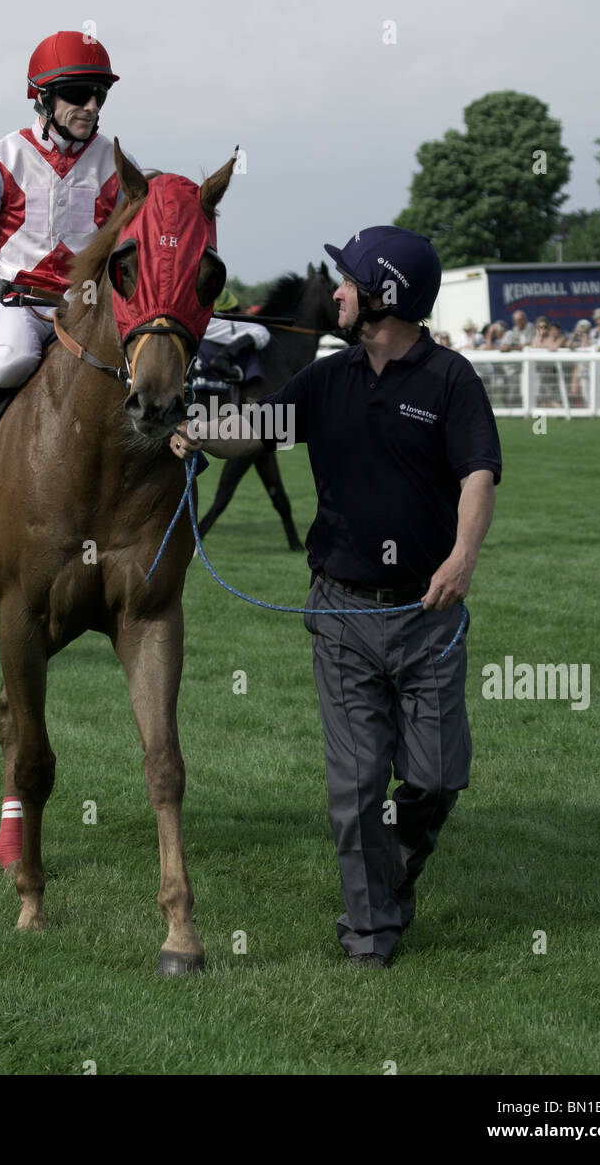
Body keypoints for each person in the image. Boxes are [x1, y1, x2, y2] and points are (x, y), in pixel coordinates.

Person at [171, 226, 501, 968]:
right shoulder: (327, 379)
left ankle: (389, 882)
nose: (336, 293)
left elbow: (477, 474)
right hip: (340, 612)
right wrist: (200, 430)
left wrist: (462, 558)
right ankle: (370, 935)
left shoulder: (450, 381)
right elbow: (256, 429)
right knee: (355, 788)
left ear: (384, 296)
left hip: (427, 614)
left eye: (347, 282)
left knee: (435, 776)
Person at [0, 30, 133, 458]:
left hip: (88, 310)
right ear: (42, 97)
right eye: (78, 93)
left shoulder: (114, 165)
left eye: (99, 95)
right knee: (9, 362)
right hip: (19, 308)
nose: (91, 106)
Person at [196, 288, 270, 386]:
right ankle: (222, 358)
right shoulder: (216, 285)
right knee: (261, 331)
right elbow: (234, 309)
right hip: (210, 321)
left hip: (190, 320)